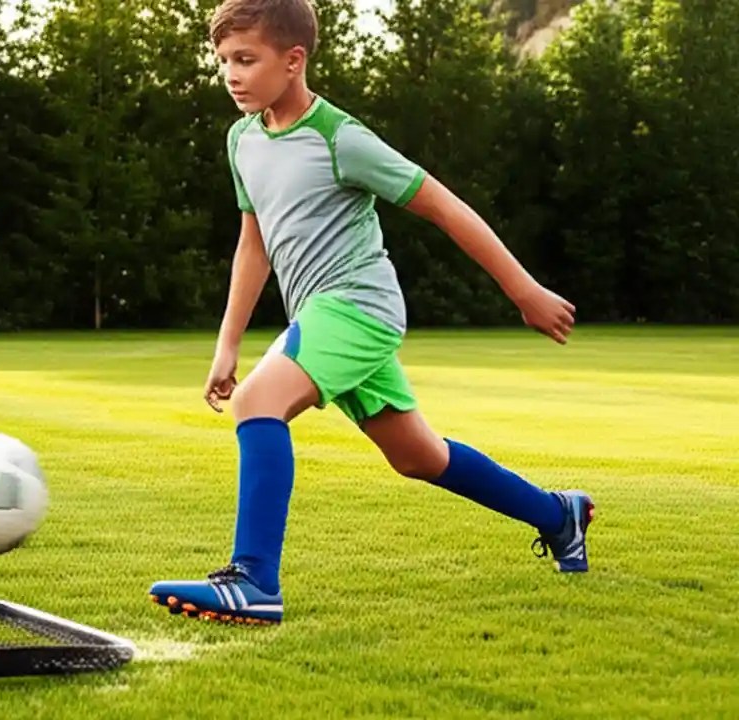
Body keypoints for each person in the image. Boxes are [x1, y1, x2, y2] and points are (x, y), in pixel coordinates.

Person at [147, 0, 594, 626]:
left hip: (358, 305)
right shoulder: (242, 140)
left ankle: (253, 580)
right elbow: (254, 244)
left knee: (256, 403)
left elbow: (442, 205)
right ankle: (559, 514)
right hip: (320, 314)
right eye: (224, 61)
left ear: (294, 60)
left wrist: (524, 290)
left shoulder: (341, 139)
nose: (231, 74)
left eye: (246, 60)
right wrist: (227, 345)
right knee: (418, 456)